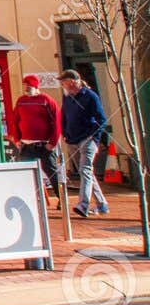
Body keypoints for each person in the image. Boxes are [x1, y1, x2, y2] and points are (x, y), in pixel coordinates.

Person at [60, 70, 110, 218]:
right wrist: (65, 134)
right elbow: (64, 117)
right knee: (86, 172)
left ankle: (83, 204)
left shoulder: (90, 96)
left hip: (87, 139)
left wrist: (93, 137)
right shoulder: (67, 98)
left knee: (85, 170)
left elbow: (101, 119)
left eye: (64, 81)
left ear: (73, 82)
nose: (62, 84)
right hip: (72, 139)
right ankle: (102, 204)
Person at [9, 73, 62, 205]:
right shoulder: (21, 101)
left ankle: (61, 197)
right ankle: (30, 199)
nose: (26, 89)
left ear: (35, 86)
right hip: (27, 144)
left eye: (29, 86)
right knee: (26, 173)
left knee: (51, 172)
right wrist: (17, 139)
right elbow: (15, 120)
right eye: (25, 86)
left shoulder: (46, 100)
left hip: (44, 144)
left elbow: (56, 122)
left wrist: (52, 142)